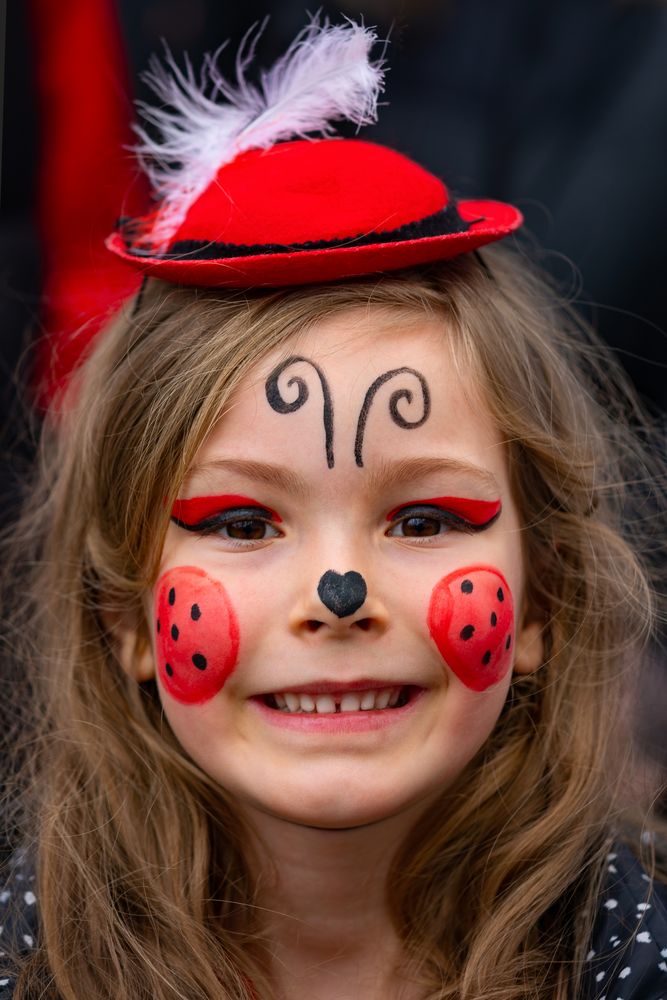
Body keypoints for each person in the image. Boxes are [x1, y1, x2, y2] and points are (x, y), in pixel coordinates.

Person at [1, 17, 665, 1000]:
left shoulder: (628, 957)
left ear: (544, 598)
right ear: (120, 611)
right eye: (240, 523)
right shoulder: (35, 958)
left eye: (424, 518)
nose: (338, 591)